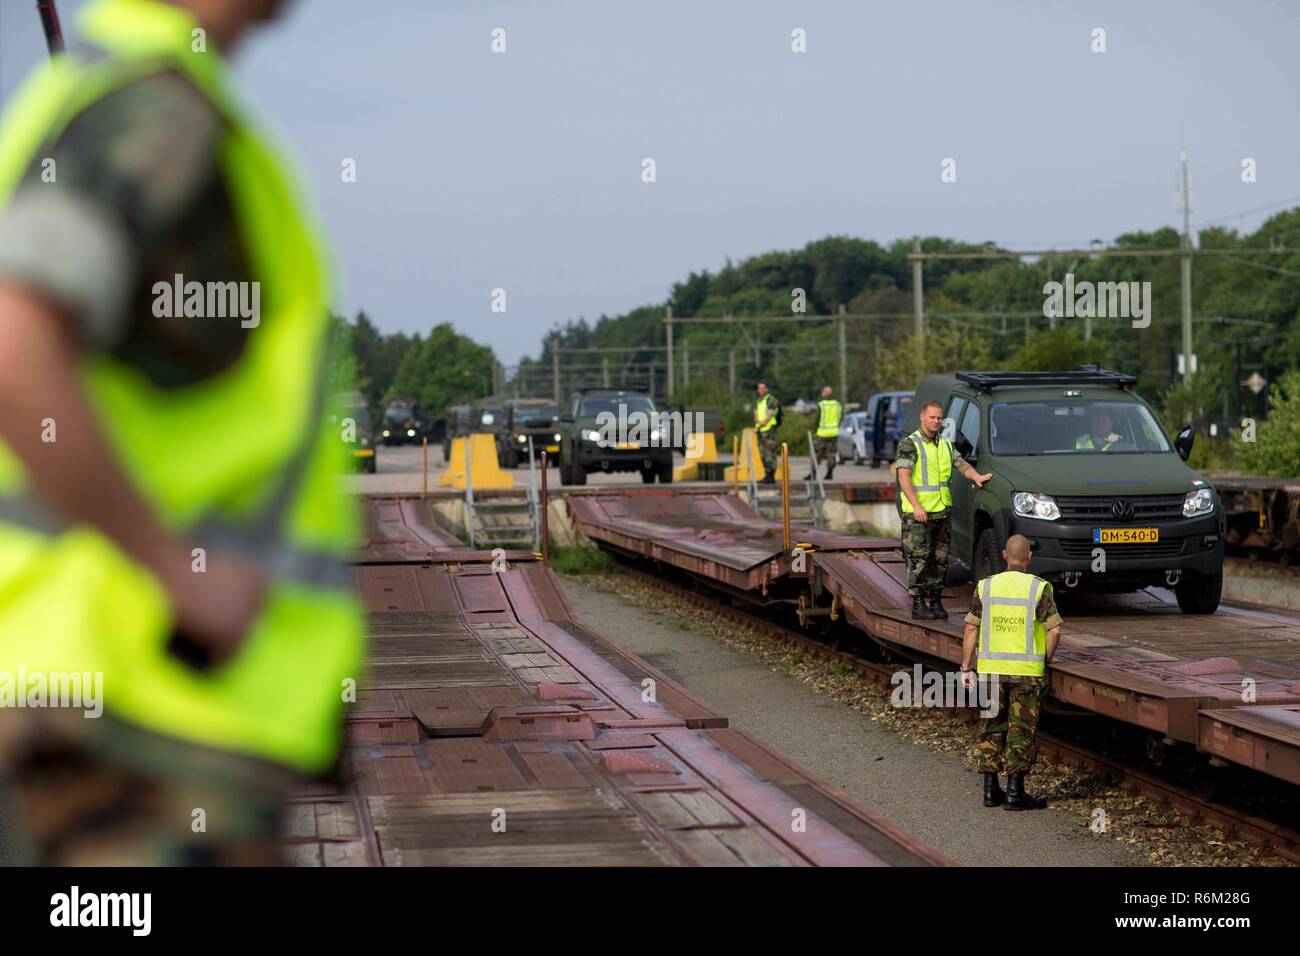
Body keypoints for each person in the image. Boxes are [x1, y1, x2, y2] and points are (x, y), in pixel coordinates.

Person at [0, 0, 362, 864]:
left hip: (117, 716)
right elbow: (16, 341)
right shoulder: (156, 112)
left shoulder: (118, 91)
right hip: (136, 720)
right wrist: (173, 570)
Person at [960, 535, 1062, 810]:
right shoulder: (1039, 588)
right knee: (1021, 730)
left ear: (1004, 555)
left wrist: (966, 668)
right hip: (1026, 673)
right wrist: (1046, 658)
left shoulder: (986, 587)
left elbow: (971, 627)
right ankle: (1016, 792)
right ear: (1029, 557)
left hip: (991, 672)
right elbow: (1054, 629)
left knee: (991, 726)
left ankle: (991, 791)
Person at [894, 400, 992, 620]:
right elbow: (903, 476)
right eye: (932, 417)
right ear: (922, 417)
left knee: (940, 559)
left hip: (941, 512)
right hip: (918, 514)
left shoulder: (946, 444)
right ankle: (918, 604)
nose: (936, 421)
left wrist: (976, 476)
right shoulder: (910, 443)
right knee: (919, 559)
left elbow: (960, 463)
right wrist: (917, 506)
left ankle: (936, 601)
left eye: (939, 418)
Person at [805, 385, 842, 481]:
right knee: (832, 454)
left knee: (817, 454)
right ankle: (830, 473)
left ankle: (813, 473)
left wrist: (815, 431)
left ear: (825, 393)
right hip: (834, 432)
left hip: (822, 433)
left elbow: (816, 419)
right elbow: (839, 417)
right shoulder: (837, 404)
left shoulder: (822, 405)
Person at [754, 380, 781, 484]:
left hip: (769, 430)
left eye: (763, 388)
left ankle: (771, 475)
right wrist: (757, 423)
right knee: (762, 453)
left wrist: (760, 424)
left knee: (770, 453)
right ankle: (767, 473)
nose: (761, 390)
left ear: (767, 389)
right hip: (761, 431)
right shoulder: (758, 401)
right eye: (759, 388)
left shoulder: (771, 400)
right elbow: (755, 414)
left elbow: (769, 416)